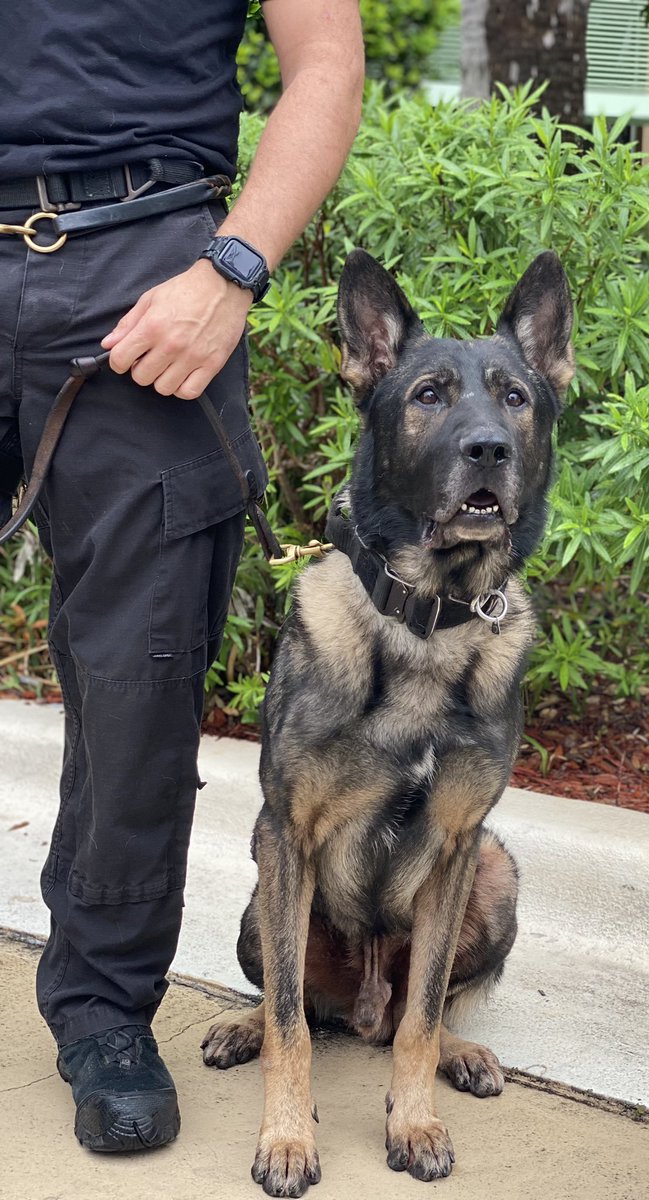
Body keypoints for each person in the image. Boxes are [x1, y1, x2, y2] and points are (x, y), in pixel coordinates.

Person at [0, 0, 364, 1153]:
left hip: (146, 272)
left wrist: (234, 268)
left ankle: (104, 1010)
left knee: (137, 683)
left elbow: (324, 63)